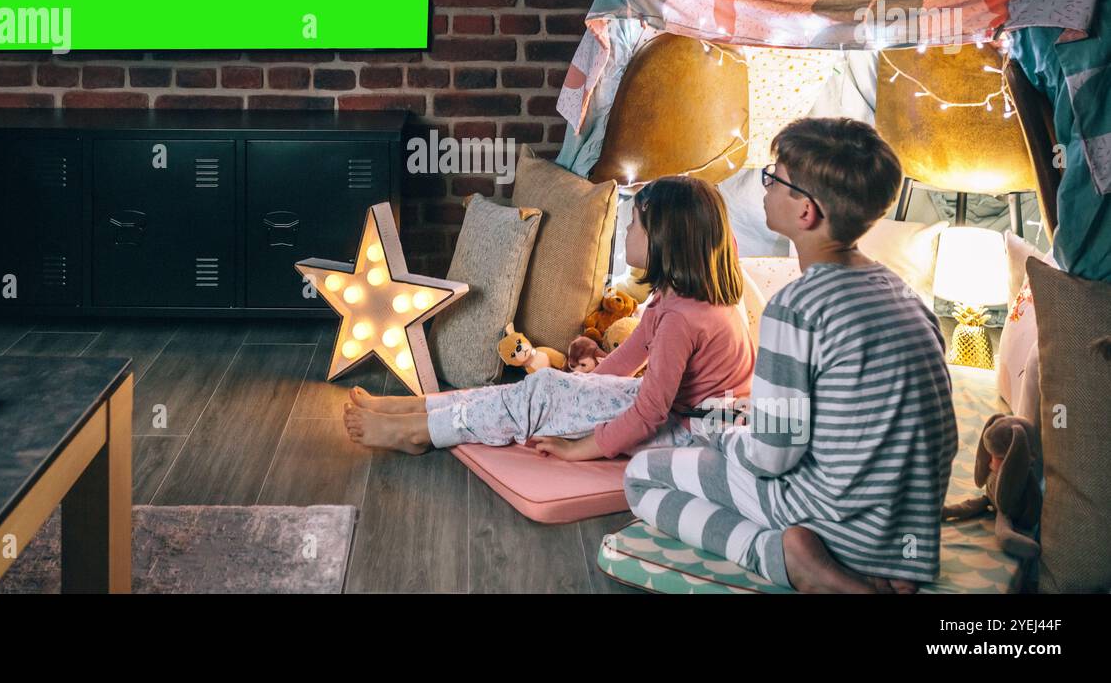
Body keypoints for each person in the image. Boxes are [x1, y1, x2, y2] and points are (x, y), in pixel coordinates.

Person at [624, 117, 958, 593]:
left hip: (835, 523)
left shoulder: (795, 308)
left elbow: (772, 456)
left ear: (806, 212)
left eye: (773, 177)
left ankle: (791, 560)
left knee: (641, 475)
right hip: (908, 542)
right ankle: (874, 564)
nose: (764, 187)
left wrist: (726, 437)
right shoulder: (904, 294)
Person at [343, 175, 754, 461]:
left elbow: (650, 412)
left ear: (666, 241)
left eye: (634, 227)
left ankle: (421, 432)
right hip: (683, 417)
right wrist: (579, 387)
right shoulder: (680, 296)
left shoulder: (683, 318)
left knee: (539, 397)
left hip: (691, 434)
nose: (627, 234)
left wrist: (583, 447)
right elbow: (628, 358)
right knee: (545, 385)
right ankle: (420, 410)